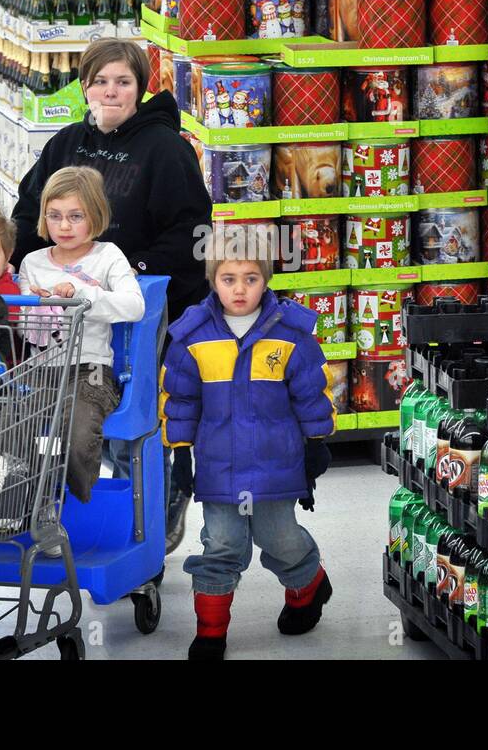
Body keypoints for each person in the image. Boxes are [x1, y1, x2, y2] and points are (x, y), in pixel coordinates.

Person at [10, 38, 211, 550]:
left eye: (123, 81)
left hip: (138, 306)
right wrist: (2, 269)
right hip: (63, 318)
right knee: (65, 416)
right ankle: (87, 511)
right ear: (84, 87)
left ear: (141, 88)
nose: (110, 91)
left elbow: (191, 231)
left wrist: (128, 271)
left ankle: (152, 509)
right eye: (100, 80)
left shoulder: (166, 149)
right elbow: (31, 213)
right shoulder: (66, 144)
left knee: (130, 421)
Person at [160, 225, 336, 660]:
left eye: (251, 278)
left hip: (277, 461)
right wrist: (180, 452)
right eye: (228, 279)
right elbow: (179, 399)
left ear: (267, 278)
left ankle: (308, 585)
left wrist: (317, 441)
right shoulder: (193, 337)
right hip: (220, 466)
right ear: (212, 278)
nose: (240, 290)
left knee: (279, 538)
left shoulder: (290, 333)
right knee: (221, 544)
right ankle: (210, 632)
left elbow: (312, 390)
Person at [18, 167, 145, 502]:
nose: (64, 226)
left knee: (78, 436)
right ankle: (30, 499)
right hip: (38, 374)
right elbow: (24, 329)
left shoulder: (108, 256)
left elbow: (135, 306)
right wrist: (41, 307)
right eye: (55, 216)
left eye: (76, 216)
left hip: (90, 375)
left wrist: (82, 294)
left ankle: (78, 505)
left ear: (96, 215)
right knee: (10, 426)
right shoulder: (32, 262)